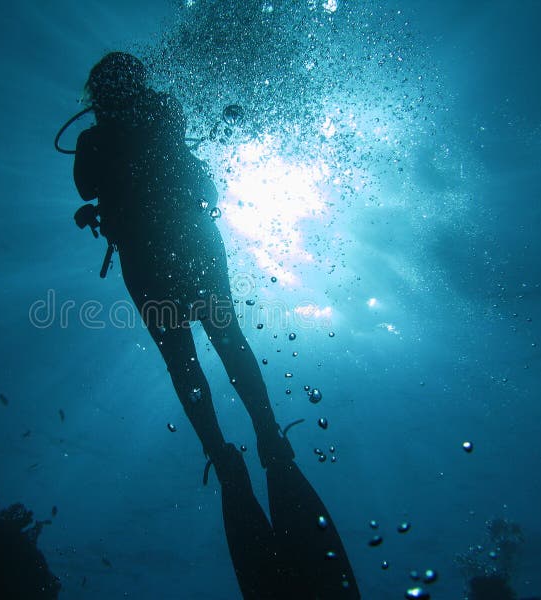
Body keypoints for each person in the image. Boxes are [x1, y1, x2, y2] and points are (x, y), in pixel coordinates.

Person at [71, 51, 359, 599]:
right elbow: (157, 165)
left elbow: (87, 190)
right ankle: (267, 437)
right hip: (190, 244)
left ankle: (225, 456)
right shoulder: (157, 112)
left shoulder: (98, 137)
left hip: (152, 257)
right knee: (226, 342)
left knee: (185, 358)